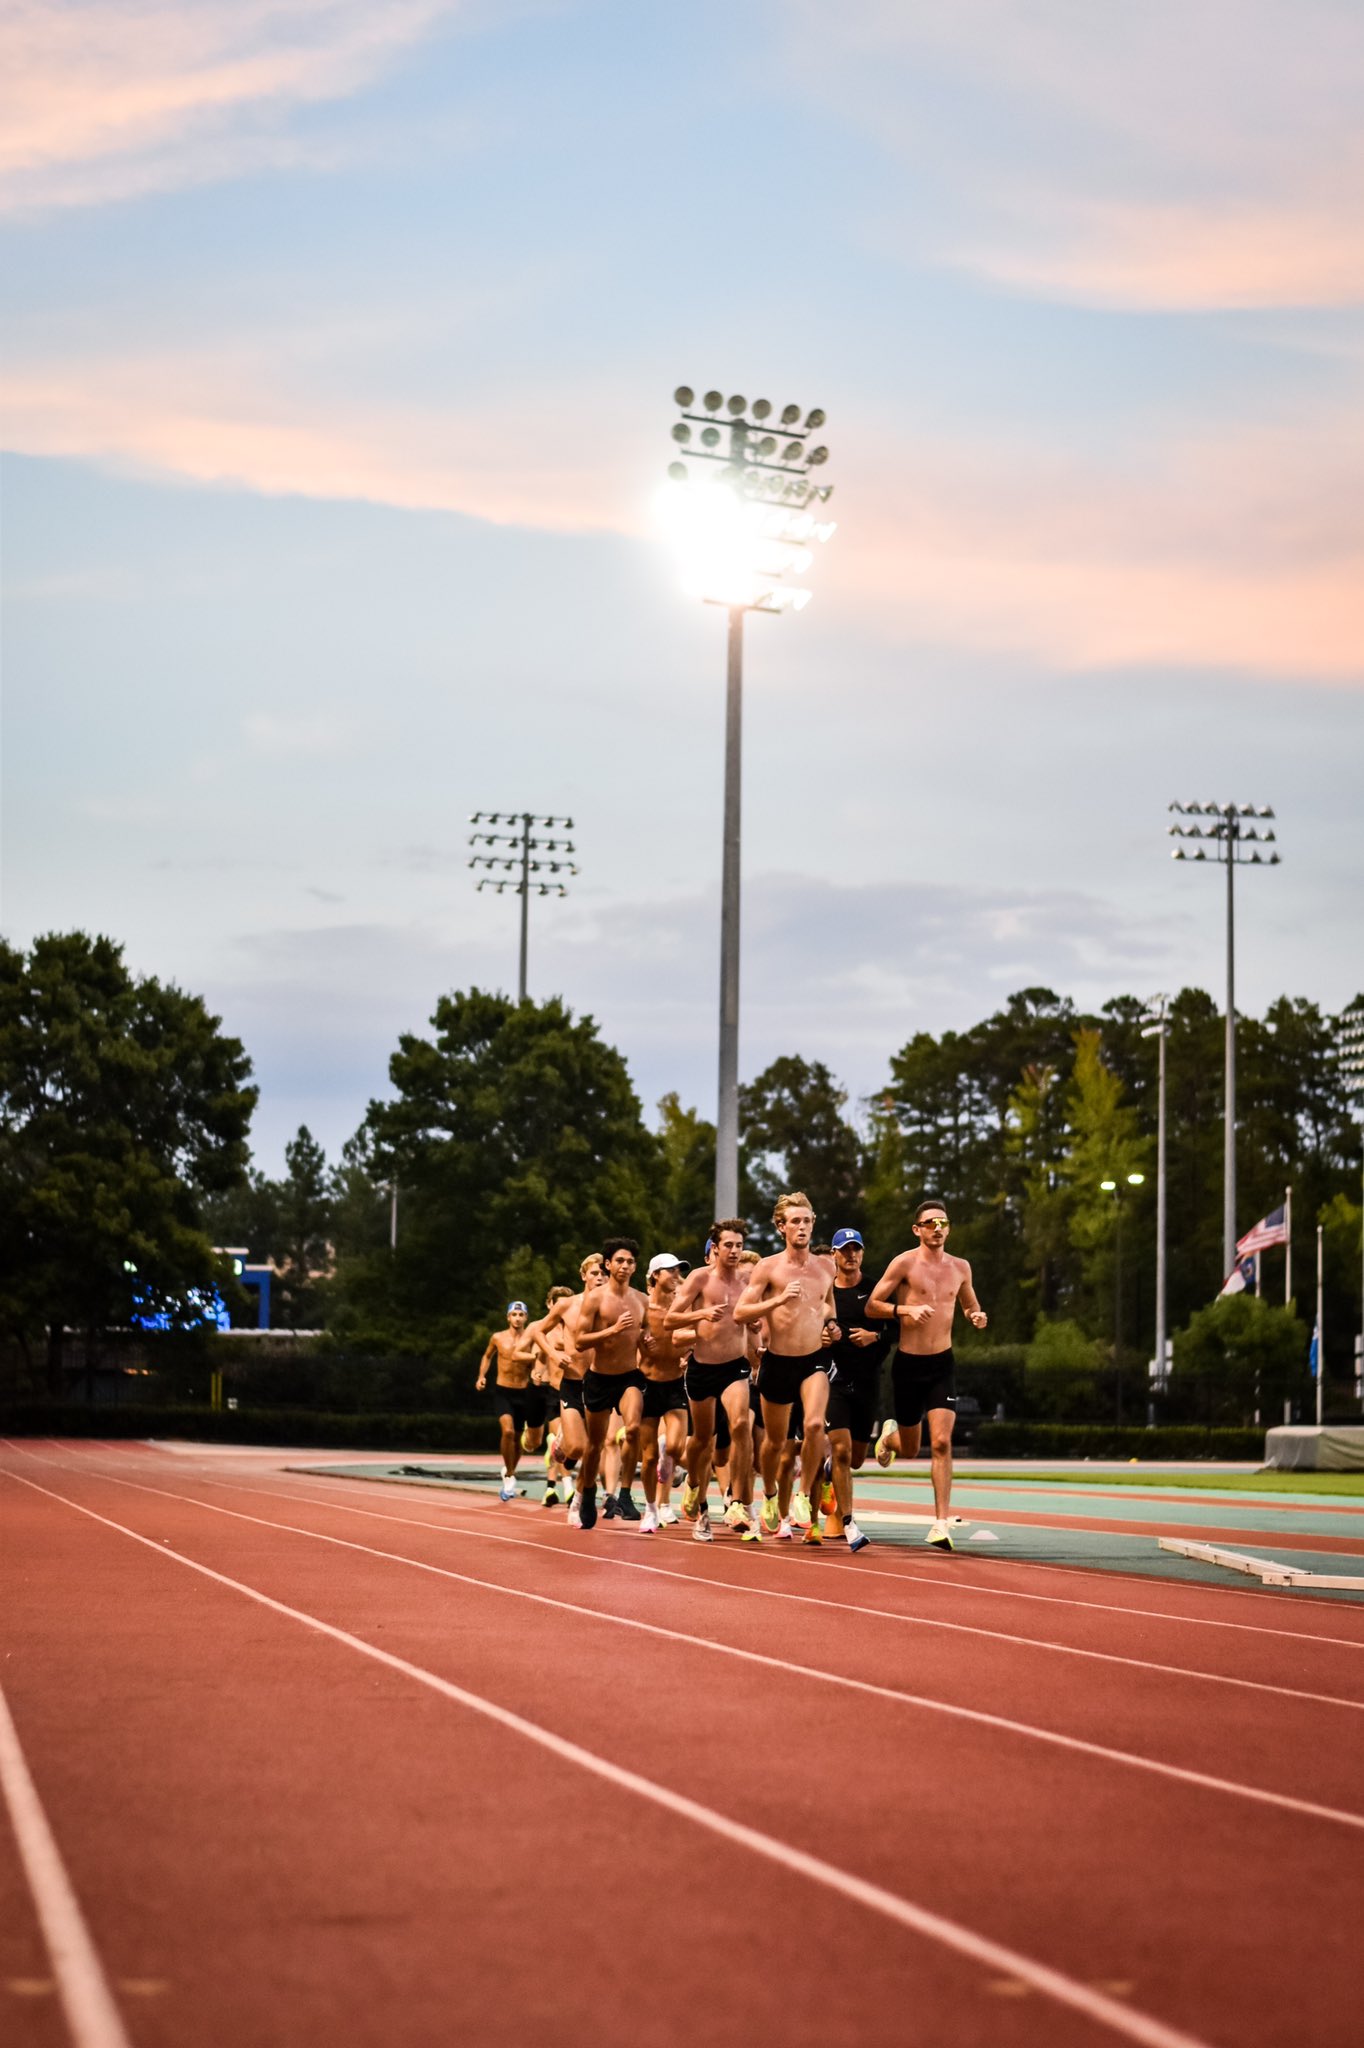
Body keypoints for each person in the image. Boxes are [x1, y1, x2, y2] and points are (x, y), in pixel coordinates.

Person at [866, 1199, 988, 1549]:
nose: (937, 1228)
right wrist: (904, 1309)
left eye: (943, 1222)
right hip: (908, 1364)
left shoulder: (961, 1267)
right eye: (930, 1223)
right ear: (917, 1229)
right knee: (908, 1448)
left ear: (949, 1228)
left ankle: (940, 1523)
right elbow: (872, 1305)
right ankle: (889, 1438)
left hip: (941, 1364)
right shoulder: (904, 1263)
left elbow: (969, 1304)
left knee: (940, 1442)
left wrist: (976, 1316)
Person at [733, 1192, 840, 1545]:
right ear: (781, 1227)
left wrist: (832, 1324)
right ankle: (767, 1494)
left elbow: (827, 1304)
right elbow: (740, 1313)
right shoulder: (769, 1268)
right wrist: (777, 1300)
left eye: (807, 1220)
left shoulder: (827, 1266)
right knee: (775, 1443)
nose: (802, 1227)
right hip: (778, 1362)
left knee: (813, 1426)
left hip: (814, 1360)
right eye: (795, 1221)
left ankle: (804, 1496)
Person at [667, 1219, 760, 1544]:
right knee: (702, 1440)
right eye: (729, 1245)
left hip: (734, 1367)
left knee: (739, 1426)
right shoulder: (700, 1279)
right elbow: (670, 1320)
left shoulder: (749, 1281)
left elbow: (754, 1321)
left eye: (739, 1245)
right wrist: (699, 1315)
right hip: (702, 1369)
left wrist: (758, 1328)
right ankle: (697, 1492)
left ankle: (737, 1502)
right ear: (715, 1248)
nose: (734, 1251)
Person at [821, 1227, 893, 1552]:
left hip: (867, 1382)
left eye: (856, 1249)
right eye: (844, 1250)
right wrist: (821, 1339)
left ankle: (828, 1470)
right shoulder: (825, 1292)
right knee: (841, 1450)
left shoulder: (876, 1289)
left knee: (857, 1459)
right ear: (834, 1255)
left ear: (862, 1253)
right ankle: (850, 1523)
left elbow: (900, 1330)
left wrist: (873, 1337)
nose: (851, 1255)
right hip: (834, 1381)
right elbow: (807, 1329)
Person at [570, 1238, 649, 1529]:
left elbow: (648, 1333)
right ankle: (589, 1490)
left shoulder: (641, 1300)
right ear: (608, 1264)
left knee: (633, 1428)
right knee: (594, 1446)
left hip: (629, 1376)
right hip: (599, 1378)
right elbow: (579, 1341)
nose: (625, 1266)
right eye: (620, 1261)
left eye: (630, 1262)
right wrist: (612, 1330)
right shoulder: (595, 1299)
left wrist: (648, 1341)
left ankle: (625, 1493)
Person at [639, 1253, 696, 1533]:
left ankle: (667, 1452)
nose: (675, 1275)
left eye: (678, 1271)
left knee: (675, 1447)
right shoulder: (644, 1307)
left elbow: (694, 1335)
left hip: (675, 1383)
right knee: (648, 1458)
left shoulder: (682, 1307)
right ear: (654, 1276)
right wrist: (640, 1345)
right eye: (669, 1271)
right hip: (647, 1384)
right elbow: (628, 1340)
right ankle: (650, 1509)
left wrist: (689, 1353)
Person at [474, 1301, 542, 1500]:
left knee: (518, 1438)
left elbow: (536, 1363)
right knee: (508, 1431)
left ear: (526, 1318)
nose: (518, 1318)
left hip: (523, 1391)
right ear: (508, 1317)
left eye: (521, 1315)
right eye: (514, 1314)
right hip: (503, 1391)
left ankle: (510, 1470)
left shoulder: (530, 1341)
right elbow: (487, 1356)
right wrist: (481, 1376)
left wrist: (537, 1375)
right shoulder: (498, 1337)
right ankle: (510, 1475)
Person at [525, 1285, 577, 1505]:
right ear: (550, 1305)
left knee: (561, 1442)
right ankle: (564, 1487)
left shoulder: (575, 1327)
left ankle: (553, 1488)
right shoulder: (539, 1327)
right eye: (558, 1303)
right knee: (540, 1442)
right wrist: (536, 1361)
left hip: (567, 1390)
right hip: (545, 1390)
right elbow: (517, 1351)